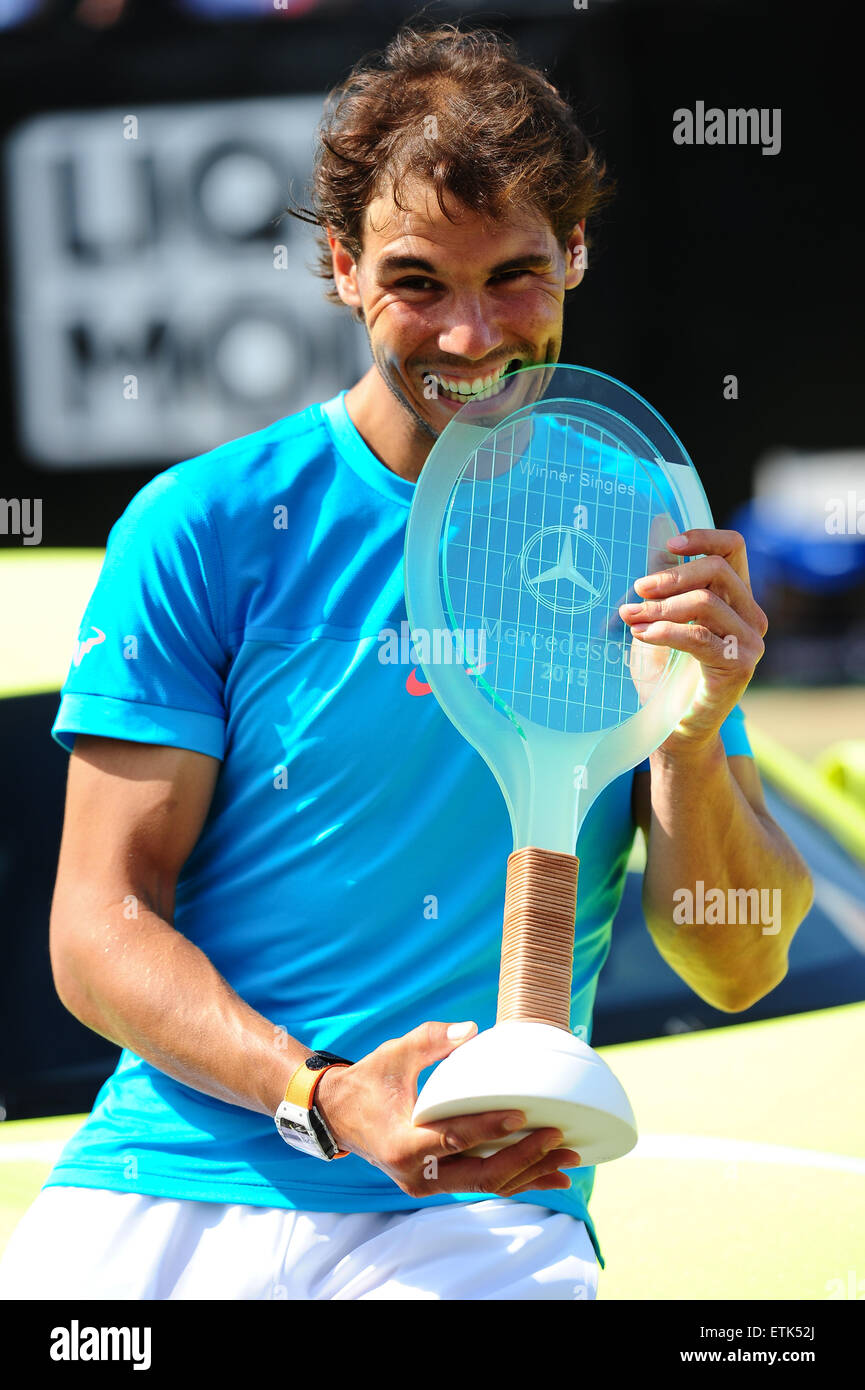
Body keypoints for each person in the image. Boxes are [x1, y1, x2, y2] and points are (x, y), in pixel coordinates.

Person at [0, 21, 812, 1302]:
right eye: (419, 280)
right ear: (338, 266)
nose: (473, 336)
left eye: (518, 277)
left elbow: (738, 960)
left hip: (482, 1206)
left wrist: (699, 732)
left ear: (578, 257)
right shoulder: (204, 523)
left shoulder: (638, 527)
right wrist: (319, 1096)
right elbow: (96, 927)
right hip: (156, 1184)